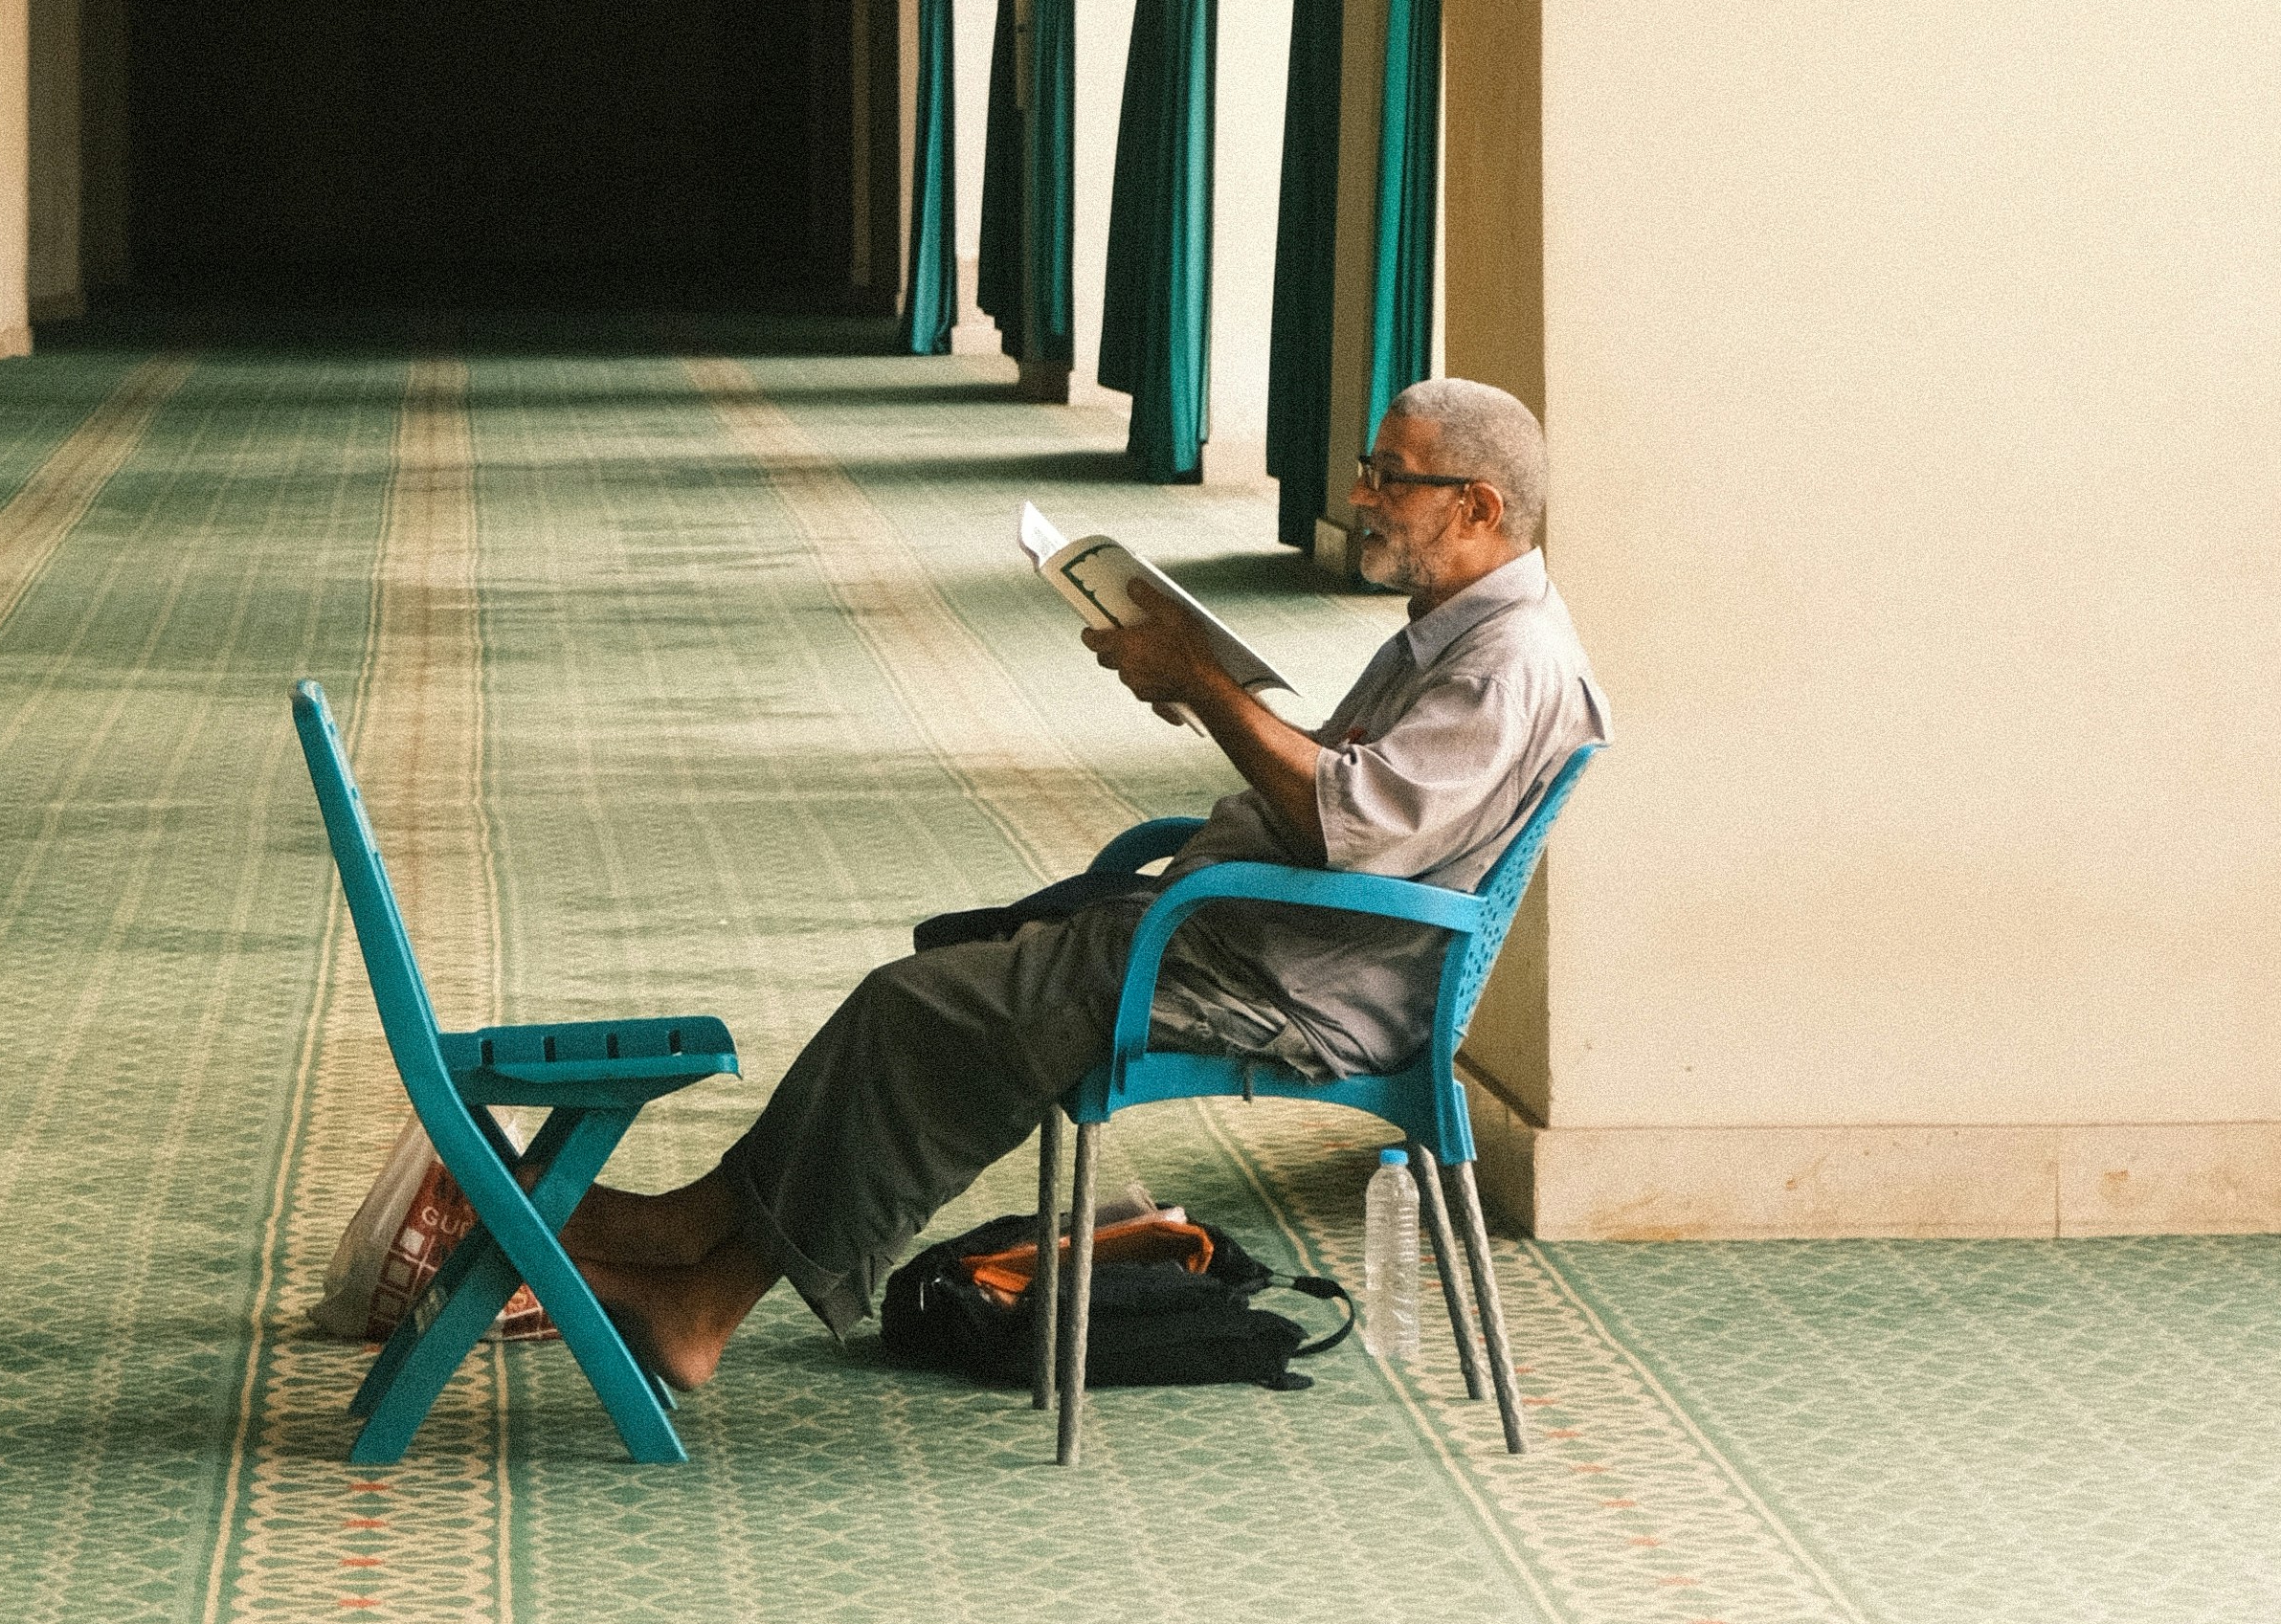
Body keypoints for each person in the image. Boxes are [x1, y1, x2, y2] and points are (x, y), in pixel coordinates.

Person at [570, 377, 1601, 1397]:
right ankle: (702, 1230)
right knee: (957, 978)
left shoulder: (1501, 666)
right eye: (1367, 469)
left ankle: (701, 1295)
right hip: (1256, 937)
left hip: (1293, 987)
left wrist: (1202, 680)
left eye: (1390, 477)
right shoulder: (1457, 625)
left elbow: (1352, 827)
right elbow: (1351, 785)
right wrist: (1204, 696)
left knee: (925, 1009)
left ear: (1477, 507)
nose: (1365, 494)